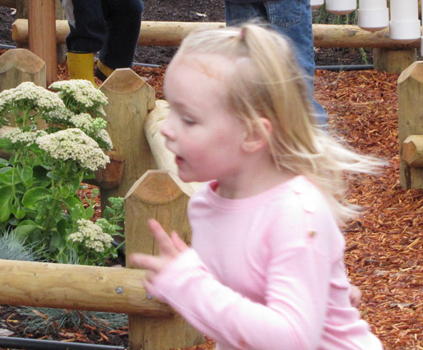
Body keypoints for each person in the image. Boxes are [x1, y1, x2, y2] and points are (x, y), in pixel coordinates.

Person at [129, 23, 384, 350]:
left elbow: (290, 339)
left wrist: (190, 285)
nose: (166, 129)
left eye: (188, 119)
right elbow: (239, 306)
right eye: (170, 110)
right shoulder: (205, 205)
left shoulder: (295, 214)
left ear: (252, 135)